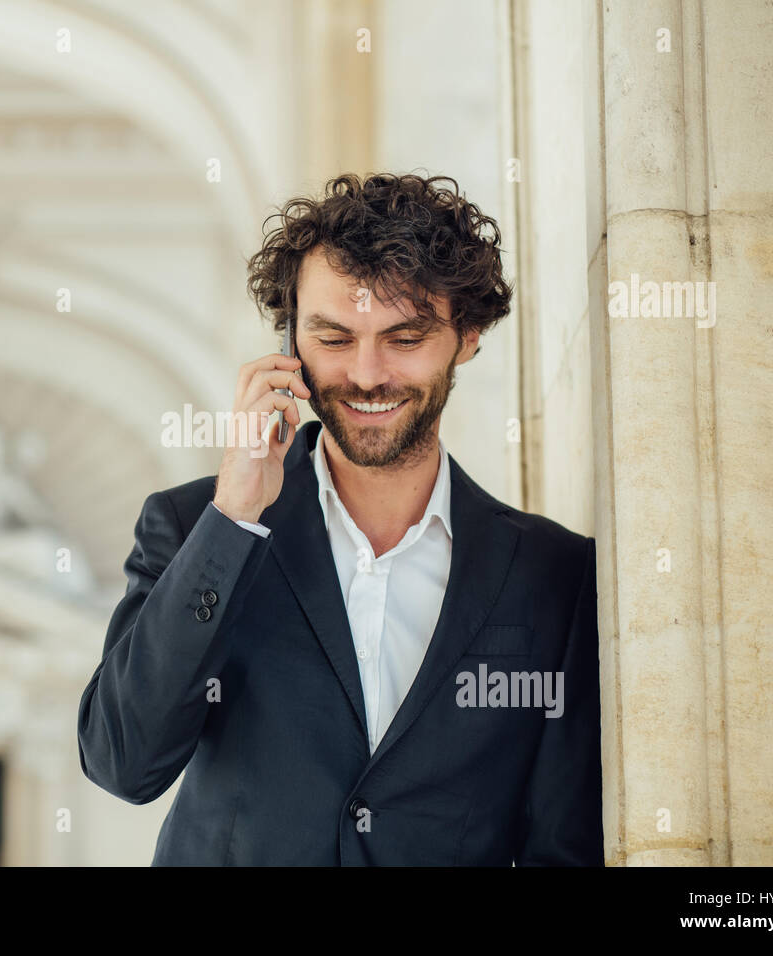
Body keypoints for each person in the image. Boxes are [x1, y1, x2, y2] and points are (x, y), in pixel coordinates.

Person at [77, 173, 603, 865]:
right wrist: (233, 521)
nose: (366, 373)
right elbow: (122, 763)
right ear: (291, 343)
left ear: (467, 336)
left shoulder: (556, 578)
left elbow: (563, 847)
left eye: (404, 337)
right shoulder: (193, 529)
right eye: (333, 336)